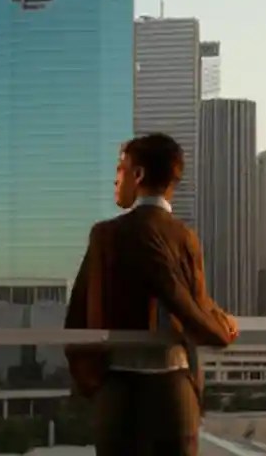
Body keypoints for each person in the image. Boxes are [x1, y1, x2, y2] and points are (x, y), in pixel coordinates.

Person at [65, 133, 239, 456]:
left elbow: (77, 317)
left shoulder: (106, 235)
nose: (115, 178)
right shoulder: (185, 237)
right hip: (174, 390)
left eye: (120, 169)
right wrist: (221, 324)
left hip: (118, 389)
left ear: (138, 175)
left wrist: (93, 382)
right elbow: (195, 304)